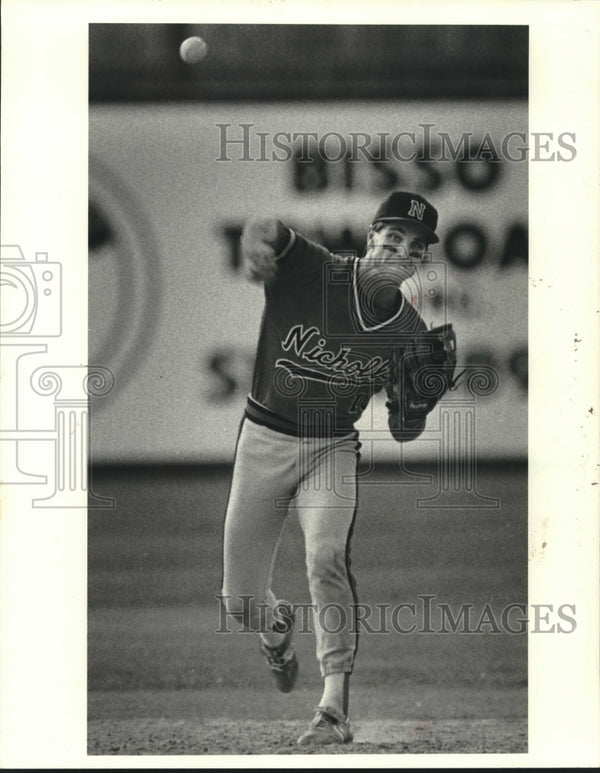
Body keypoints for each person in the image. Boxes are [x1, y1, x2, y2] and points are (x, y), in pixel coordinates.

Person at [220, 191, 442, 745]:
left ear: (418, 261)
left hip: (331, 447)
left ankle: (333, 706)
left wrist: (419, 402)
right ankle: (276, 633)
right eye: (391, 237)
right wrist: (254, 248)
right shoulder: (315, 270)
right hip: (264, 438)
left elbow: (403, 430)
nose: (399, 251)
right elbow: (265, 225)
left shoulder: (410, 332)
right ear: (371, 238)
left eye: (412, 247)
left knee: (324, 555)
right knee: (241, 602)